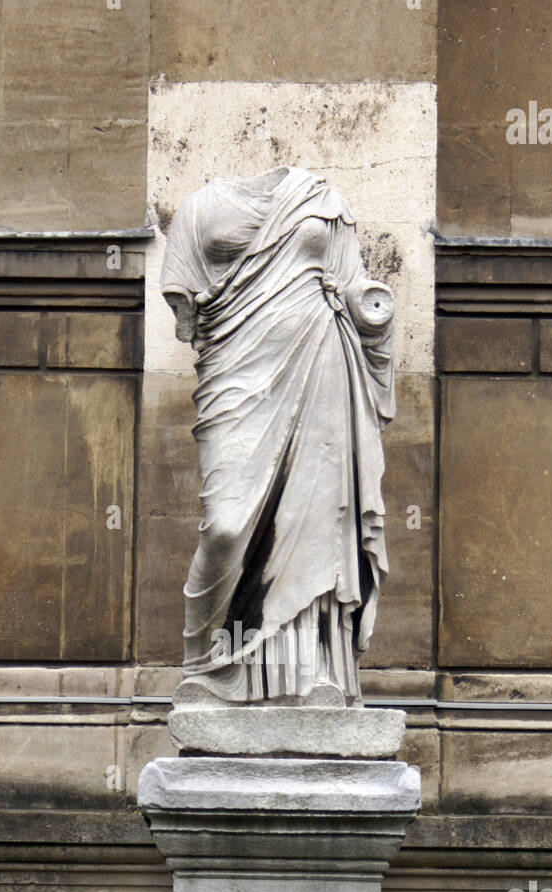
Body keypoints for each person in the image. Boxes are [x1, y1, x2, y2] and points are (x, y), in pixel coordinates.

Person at [161, 165, 395, 705]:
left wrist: (374, 312)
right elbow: (185, 309)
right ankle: (205, 666)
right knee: (225, 524)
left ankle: (314, 676)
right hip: (234, 367)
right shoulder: (201, 206)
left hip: (319, 361)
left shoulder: (319, 197)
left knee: (313, 520)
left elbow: (356, 284)